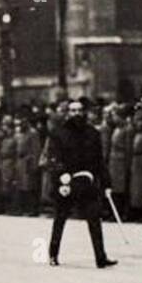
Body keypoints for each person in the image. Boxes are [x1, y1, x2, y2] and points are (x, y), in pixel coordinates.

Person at [43, 99, 116, 269]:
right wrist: (61, 178)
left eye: (79, 110)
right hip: (66, 181)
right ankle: (53, 254)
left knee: (94, 219)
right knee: (60, 218)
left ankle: (101, 257)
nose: (76, 113)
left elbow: (99, 161)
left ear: (84, 112)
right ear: (68, 113)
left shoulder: (92, 133)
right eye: (73, 110)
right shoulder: (58, 133)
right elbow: (54, 159)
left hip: (87, 182)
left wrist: (106, 184)